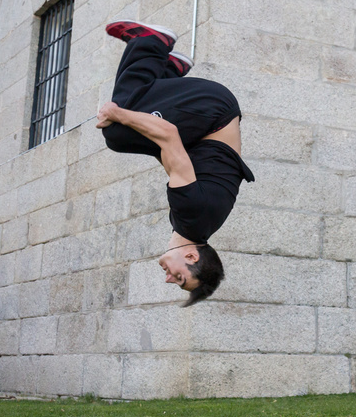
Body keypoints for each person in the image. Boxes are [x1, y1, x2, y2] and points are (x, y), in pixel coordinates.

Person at [96, 20, 254, 306]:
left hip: (206, 117)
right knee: (117, 131)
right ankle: (151, 42)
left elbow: (169, 153)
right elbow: (168, 134)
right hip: (210, 108)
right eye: (180, 278)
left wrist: (141, 124)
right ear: (191, 256)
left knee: (131, 132)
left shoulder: (194, 224)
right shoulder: (191, 214)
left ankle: (171, 70)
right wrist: (117, 113)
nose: (169, 279)